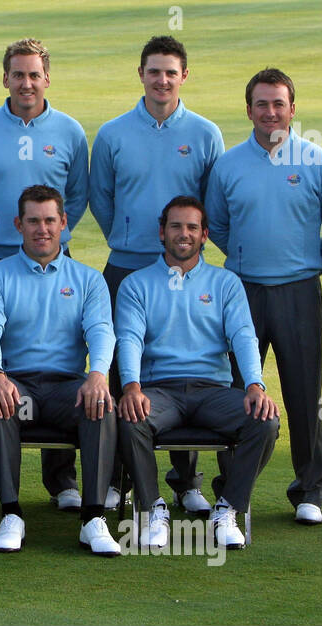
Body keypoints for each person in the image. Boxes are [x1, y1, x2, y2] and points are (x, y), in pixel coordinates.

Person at [204, 68, 322, 525]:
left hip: (299, 292)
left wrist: (307, 265)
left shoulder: (317, 161)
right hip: (242, 291)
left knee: (304, 391)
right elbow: (219, 226)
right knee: (236, 391)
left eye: (279, 103)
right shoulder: (228, 165)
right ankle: (230, 488)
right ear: (248, 110)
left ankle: (309, 489)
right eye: (262, 104)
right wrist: (250, 259)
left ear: (293, 108)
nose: (271, 112)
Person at [89, 35, 225, 515]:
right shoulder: (113, 133)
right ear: (140, 73)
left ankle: (186, 479)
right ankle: (114, 477)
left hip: (184, 269)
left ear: (183, 76)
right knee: (117, 371)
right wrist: (128, 238)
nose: (162, 79)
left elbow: (209, 206)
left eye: (171, 71)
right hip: (126, 266)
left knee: (180, 366)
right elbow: (101, 199)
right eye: (153, 71)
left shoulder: (206, 134)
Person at [0, 37, 90, 511]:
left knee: (61, 358)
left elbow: (76, 197)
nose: (27, 82)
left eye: (35, 74)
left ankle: (63, 479)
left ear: (47, 78)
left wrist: (45, 238)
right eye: (18, 74)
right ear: (5, 78)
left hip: (55, 262)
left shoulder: (71, 131)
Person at [115, 197, 280, 550]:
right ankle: (152, 509)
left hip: (213, 391)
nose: (183, 234)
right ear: (162, 232)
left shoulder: (226, 283)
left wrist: (254, 384)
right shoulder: (136, 284)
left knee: (264, 420)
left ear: (205, 235)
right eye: (175, 226)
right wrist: (131, 387)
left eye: (192, 227)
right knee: (130, 417)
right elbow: (129, 338)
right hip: (160, 391)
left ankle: (228, 508)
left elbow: (243, 336)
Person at [0, 186, 120, 555]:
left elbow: (101, 330)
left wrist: (98, 375)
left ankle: (93, 517)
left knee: (101, 405)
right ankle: (11, 513)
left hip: (64, 392)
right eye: (33, 221)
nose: (43, 229)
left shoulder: (87, 279)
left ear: (64, 223)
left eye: (50, 220)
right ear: (18, 225)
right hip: (18, 388)